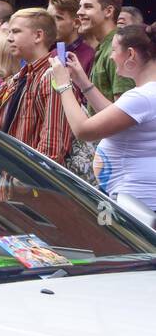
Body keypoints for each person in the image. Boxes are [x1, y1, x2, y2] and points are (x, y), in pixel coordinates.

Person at [51, 24, 156, 205]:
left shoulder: (143, 96)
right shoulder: (147, 94)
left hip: (136, 200)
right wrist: (82, 81)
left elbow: (83, 131)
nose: (111, 56)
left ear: (130, 54)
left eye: (114, 50)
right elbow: (113, 115)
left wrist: (63, 84)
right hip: (133, 197)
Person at [0, 8, 73, 164]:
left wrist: (29, 183)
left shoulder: (53, 76)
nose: (9, 38)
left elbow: (52, 148)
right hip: (7, 180)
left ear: (38, 36)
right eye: (9, 32)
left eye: (16, 32)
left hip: (29, 185)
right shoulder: (17, 79)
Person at [80, 0, 136, 103]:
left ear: (108, 11)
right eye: (80, 6)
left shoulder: (119, 47)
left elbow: (124, 113)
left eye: (88, 6)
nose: (79, 12)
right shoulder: (104, 46)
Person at [47, 0, 95, 77]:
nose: (51, 24)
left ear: (76, 23)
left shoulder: (90, 55)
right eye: (49, 18)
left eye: (58, 18)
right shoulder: (52, 54)